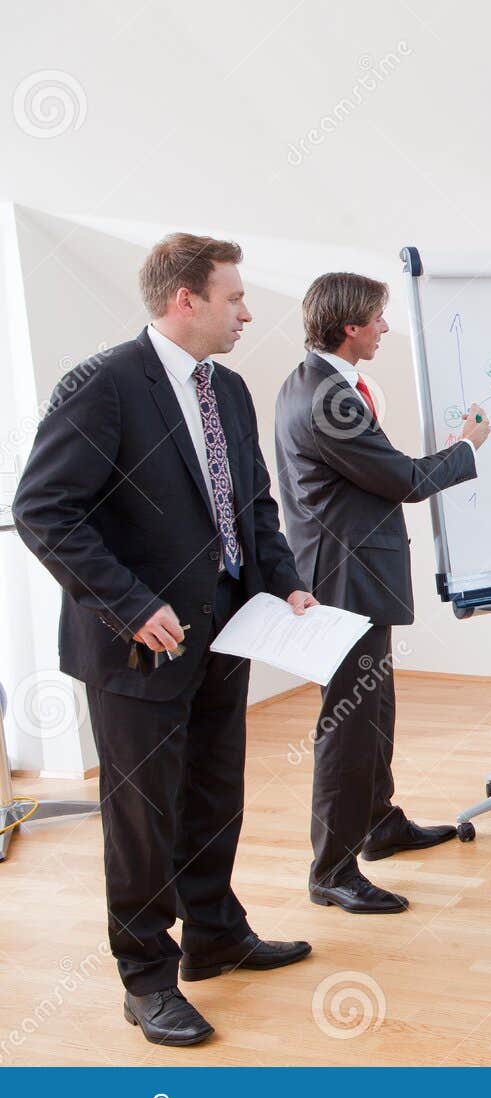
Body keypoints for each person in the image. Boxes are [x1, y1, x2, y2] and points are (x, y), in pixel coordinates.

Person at [13, 234, 317, 1047]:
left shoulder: (232, 390)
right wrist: (128, 603)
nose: (247, 311)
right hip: (136, 641)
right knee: (143, 814)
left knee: (215, 790)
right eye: (234, 297)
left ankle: (215, 933)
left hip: (225, 624)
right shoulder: (105, 384)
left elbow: (252, 506)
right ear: (185, 299)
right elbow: (44, 509)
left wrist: (282, 578)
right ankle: (146, 977)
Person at [275, 273, 490, 915]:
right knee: (348, 724)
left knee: (374, 710)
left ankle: (378, 824)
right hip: (346, 580)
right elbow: (402, 479)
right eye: (378, 319)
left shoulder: (312, 382)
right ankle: (331, 870)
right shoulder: (326, 399)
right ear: (350, 326)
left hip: (352, 572)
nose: (385, 329)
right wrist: (466, 446)